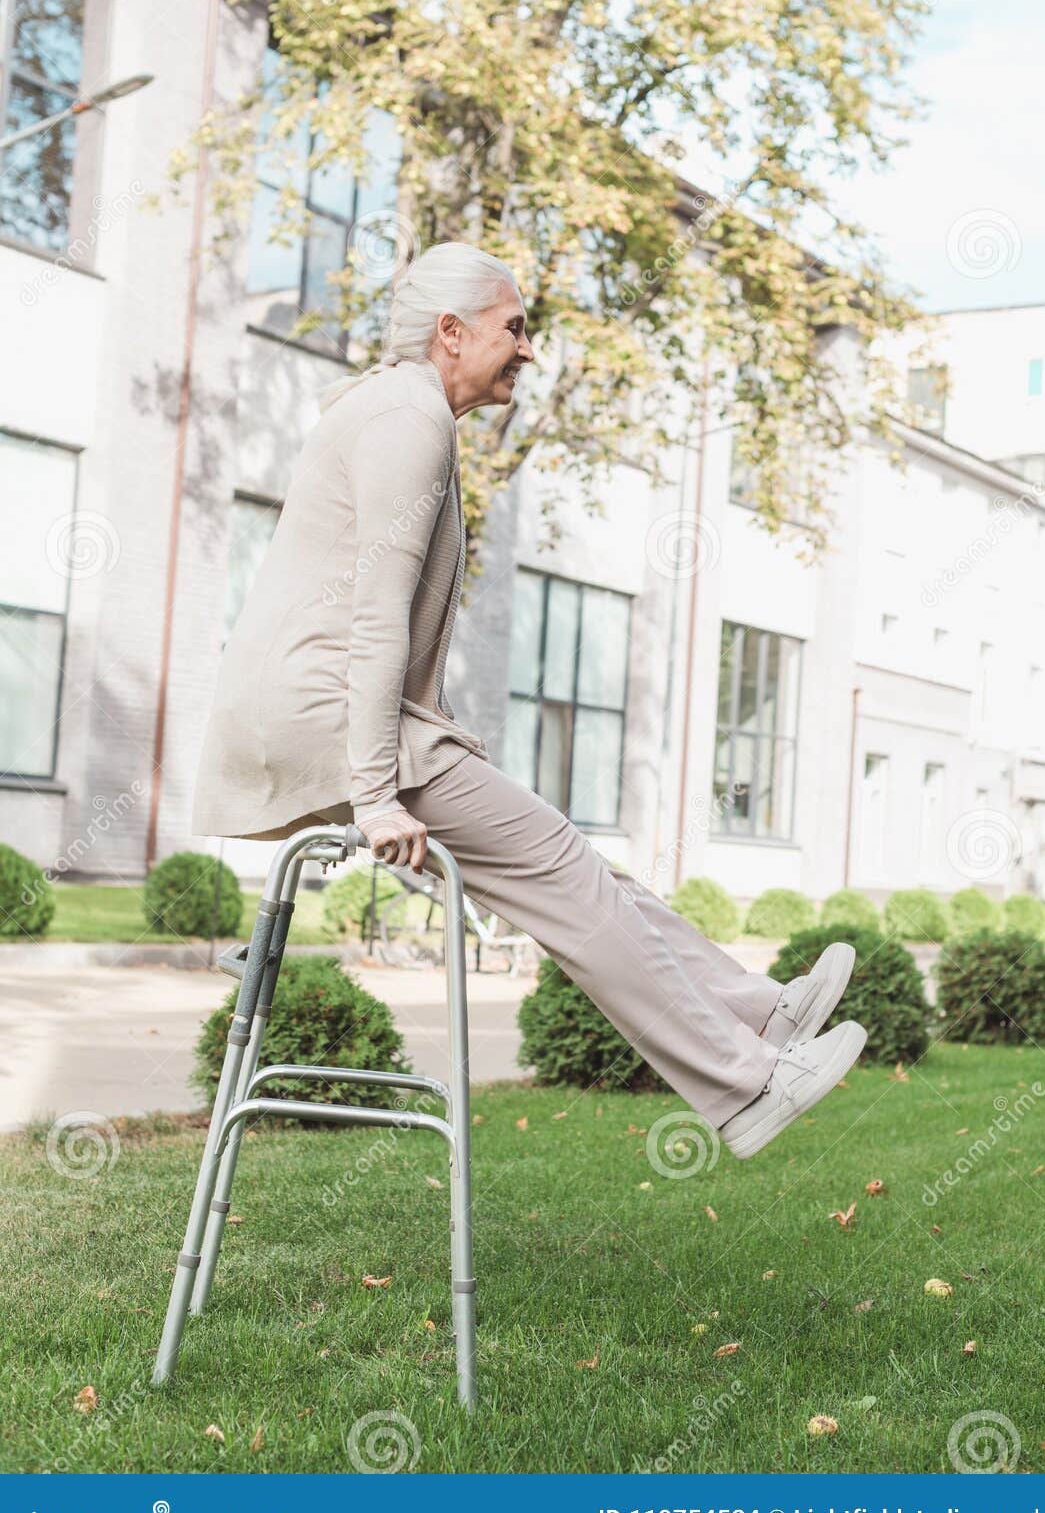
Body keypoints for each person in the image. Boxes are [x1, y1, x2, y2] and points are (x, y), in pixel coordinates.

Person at [191, 241, 866, 1159]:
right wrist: (377, 793)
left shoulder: (403, 407)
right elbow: (377, 617)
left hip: (324, 711)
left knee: (575, 867)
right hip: (322, 716)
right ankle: (745, 1084)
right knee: (565, 873)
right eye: (514, 328)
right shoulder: (408, 418)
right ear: (451, 331)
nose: (529, 348)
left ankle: (762, 1015)